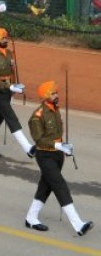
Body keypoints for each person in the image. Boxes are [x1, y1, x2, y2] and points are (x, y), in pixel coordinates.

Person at [25, 81, 93, 236]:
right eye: (53, 93)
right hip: (45, 155)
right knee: (60, 185)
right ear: (46, 96)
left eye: (56, 92)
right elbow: (39, 140)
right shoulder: (37, 116)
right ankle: (78, 224)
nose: (57, 95)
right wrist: (58, 147)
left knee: (46, 186)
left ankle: (31, 218)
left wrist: (65, 147)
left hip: (57, 155)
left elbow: (57, 135)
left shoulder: (55, 110)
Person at [0, 28, 35, 158]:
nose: (6, 40)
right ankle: (27, 147)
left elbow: (12, 72)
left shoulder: (10, 53)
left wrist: (15, 86)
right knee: (10, 117)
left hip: (8, 89)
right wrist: (10, 87)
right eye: (3, 38)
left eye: (6, 37)